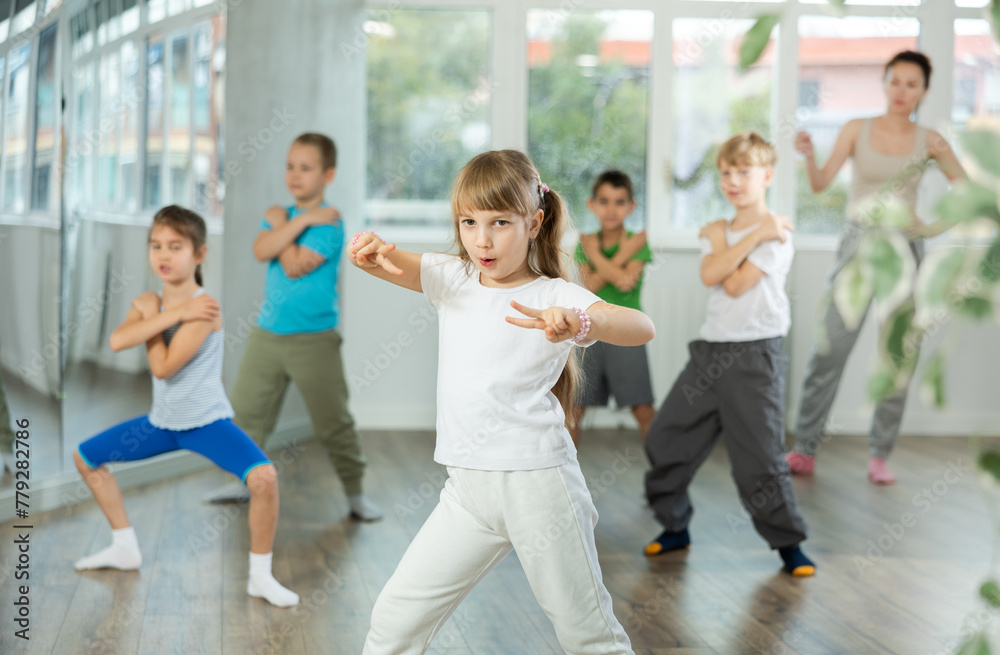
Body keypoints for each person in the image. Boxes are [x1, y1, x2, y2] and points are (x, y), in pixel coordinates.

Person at [350, 150, 653, 654]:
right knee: (394, 621)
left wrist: (582, 323)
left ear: (534, 222)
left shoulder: (555, 293)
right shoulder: (453, 278)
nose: (482, 239)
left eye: (500, 222)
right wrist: (370, 249)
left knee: (587, 635)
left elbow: (642, 327)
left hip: (538, 487)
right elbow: (386, 261)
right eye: (469, 222)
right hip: (467, 490)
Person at [73, 206, 299, 608]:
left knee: (264, 479)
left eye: (175, 246)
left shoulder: (205, 307)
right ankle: (124, 547)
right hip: (162, 424)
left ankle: (260, 577)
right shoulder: (154, 302)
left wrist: (151, 317)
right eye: (156, 245)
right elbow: (116, 341)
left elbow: (162, 367)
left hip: (206, 423)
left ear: (198, 255)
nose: (163, 254)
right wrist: (166, 313)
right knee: (85, 457)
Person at [786, 51, 965, 484]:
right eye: (895, 81)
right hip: (857, 244)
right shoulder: (855, 129)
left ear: (923, 91)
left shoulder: (930, 140)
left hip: (904, 249)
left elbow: (969, 191)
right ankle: (805, 448)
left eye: (912, 84)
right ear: (884, 83)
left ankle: (880, 454)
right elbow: (820, 183)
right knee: (831, 347)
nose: (902, 91)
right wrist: (809, 154)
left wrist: (932, 226)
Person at [643, 132, 815, 577]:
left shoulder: (778, 234)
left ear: (768, 176)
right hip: (710, 352)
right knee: (664, 438)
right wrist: (746, 236)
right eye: (725, 173)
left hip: (756, 357)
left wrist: (743, 236)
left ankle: (790, 545)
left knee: (758, 460)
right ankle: (674, 526)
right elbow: (710, 274)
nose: (732, 181)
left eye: (744, 172)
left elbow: (735, 282)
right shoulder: (731, 231)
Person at [205, 133, 381, 520]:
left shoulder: (331, 223)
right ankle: (243, 483)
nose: (295, 175)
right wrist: (296, 219)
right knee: (248, 416)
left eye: (306, 168)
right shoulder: (289, 216)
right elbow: (260, 250)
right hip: (267, 334)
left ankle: (355, 495)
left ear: (328, 174)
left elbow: (294, 263)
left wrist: (285, 222)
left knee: (334, 422)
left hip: (314, 340)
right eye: (290, 166)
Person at [571, 170, 655, 445]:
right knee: (574, 408)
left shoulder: (638, 243)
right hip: (590, 330)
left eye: (620, 202)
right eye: (604, 201)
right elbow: (591, 284)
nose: (611, 209)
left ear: (631, 207)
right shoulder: (587, 244)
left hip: (627, 334)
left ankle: (664, 479)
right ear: (592, 205)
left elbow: (625, 283)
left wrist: (598, 256)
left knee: (642, 408)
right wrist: (620, 254)